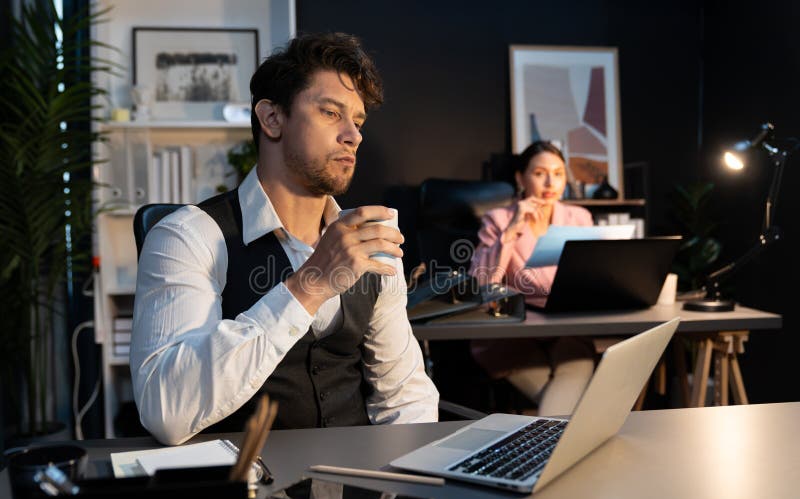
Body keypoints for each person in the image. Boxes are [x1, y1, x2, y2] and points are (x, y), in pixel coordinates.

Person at [130, 32, 439, 445]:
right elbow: (165, 411)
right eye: (331, 112)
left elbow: (405, 396)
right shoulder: (187, 236)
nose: (354, 135)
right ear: (272, 118)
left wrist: (408, 473)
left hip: (361, 477)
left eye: (358, 121)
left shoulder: (369, 242)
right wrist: (310, 284)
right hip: (245, 479)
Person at [469, 140, 596, 416]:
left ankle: (548, 440)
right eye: (539, 174)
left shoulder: (579, 218)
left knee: (576, 365)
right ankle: (559, 441)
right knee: (575, 402)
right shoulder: (498, 219)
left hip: (566, 329)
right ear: (520, 178)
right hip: (512, 335)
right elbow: (481, 285)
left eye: (558, 174)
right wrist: (511, 231)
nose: (550, 182)